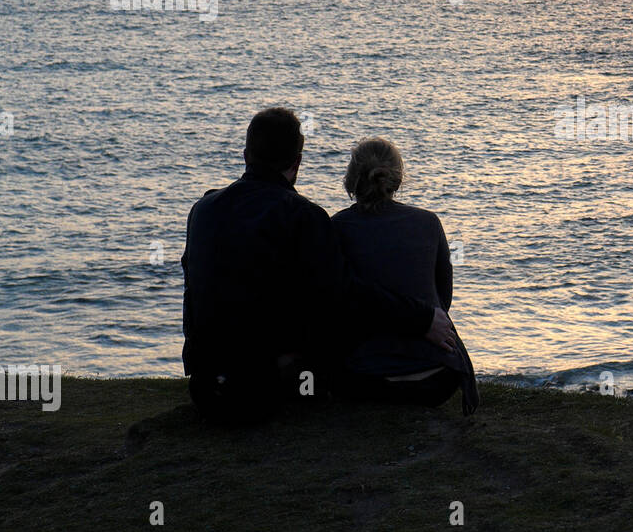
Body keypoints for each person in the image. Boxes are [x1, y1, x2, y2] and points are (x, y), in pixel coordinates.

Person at [181, 108, 458, 423]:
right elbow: (344, 294)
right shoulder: (302, 216)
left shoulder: (202, 211)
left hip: (205, 388)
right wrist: (422, 318)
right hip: (268, 388)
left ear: (246, 155)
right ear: (297, 162)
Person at [331, 137, 479, 415]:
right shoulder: (428, 222)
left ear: (352, 179)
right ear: (396, 180)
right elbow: (442, 300)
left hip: (366, 379)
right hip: (436, 377)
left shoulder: (336, 228)